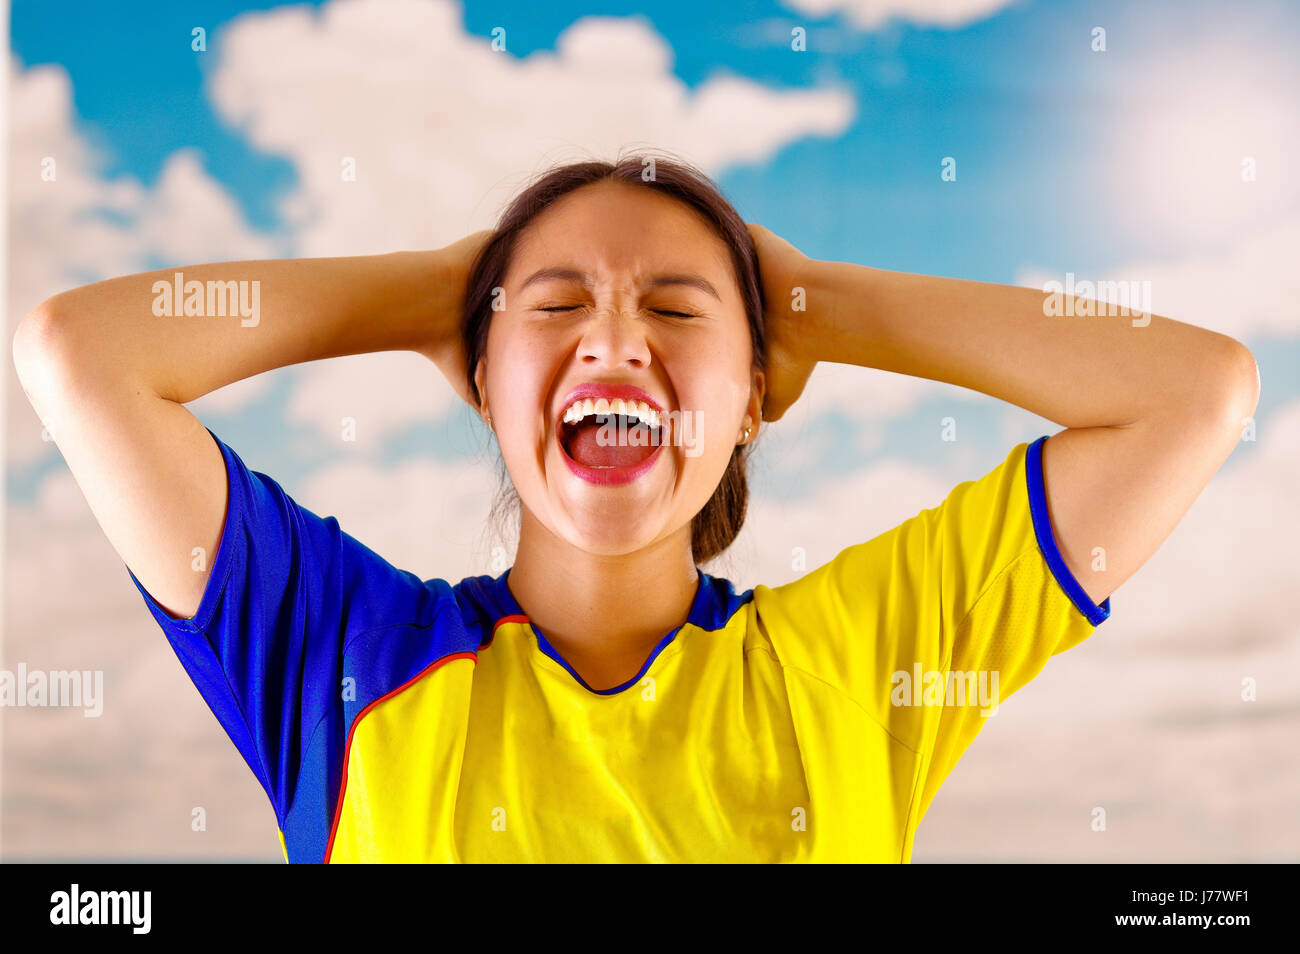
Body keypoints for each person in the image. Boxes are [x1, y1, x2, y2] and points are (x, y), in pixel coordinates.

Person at [12, 153, 1259, 863]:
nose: (612, 344)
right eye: (555, 309)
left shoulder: (861, 662)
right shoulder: (340, 657)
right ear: (483, 384)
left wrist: (817, 305)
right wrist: (432, 296)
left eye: (675, 309)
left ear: (758, 394)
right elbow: (76, 355)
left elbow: (1198, 391)